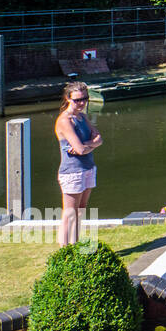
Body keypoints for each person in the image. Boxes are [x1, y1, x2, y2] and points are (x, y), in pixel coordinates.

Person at [54, 81, 102, 246]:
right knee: (69, 213)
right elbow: (80, 149)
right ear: (68, 98)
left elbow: (99, 139)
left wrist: (90, 145)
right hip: (72, 172)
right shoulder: (64, 120)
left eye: (85, 99)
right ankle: (64, 251)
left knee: (80, 210)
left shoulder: (82, 117)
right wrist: (90, 144)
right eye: (77, 100)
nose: (82, 103)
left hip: (88, 168)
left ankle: (75, 245)